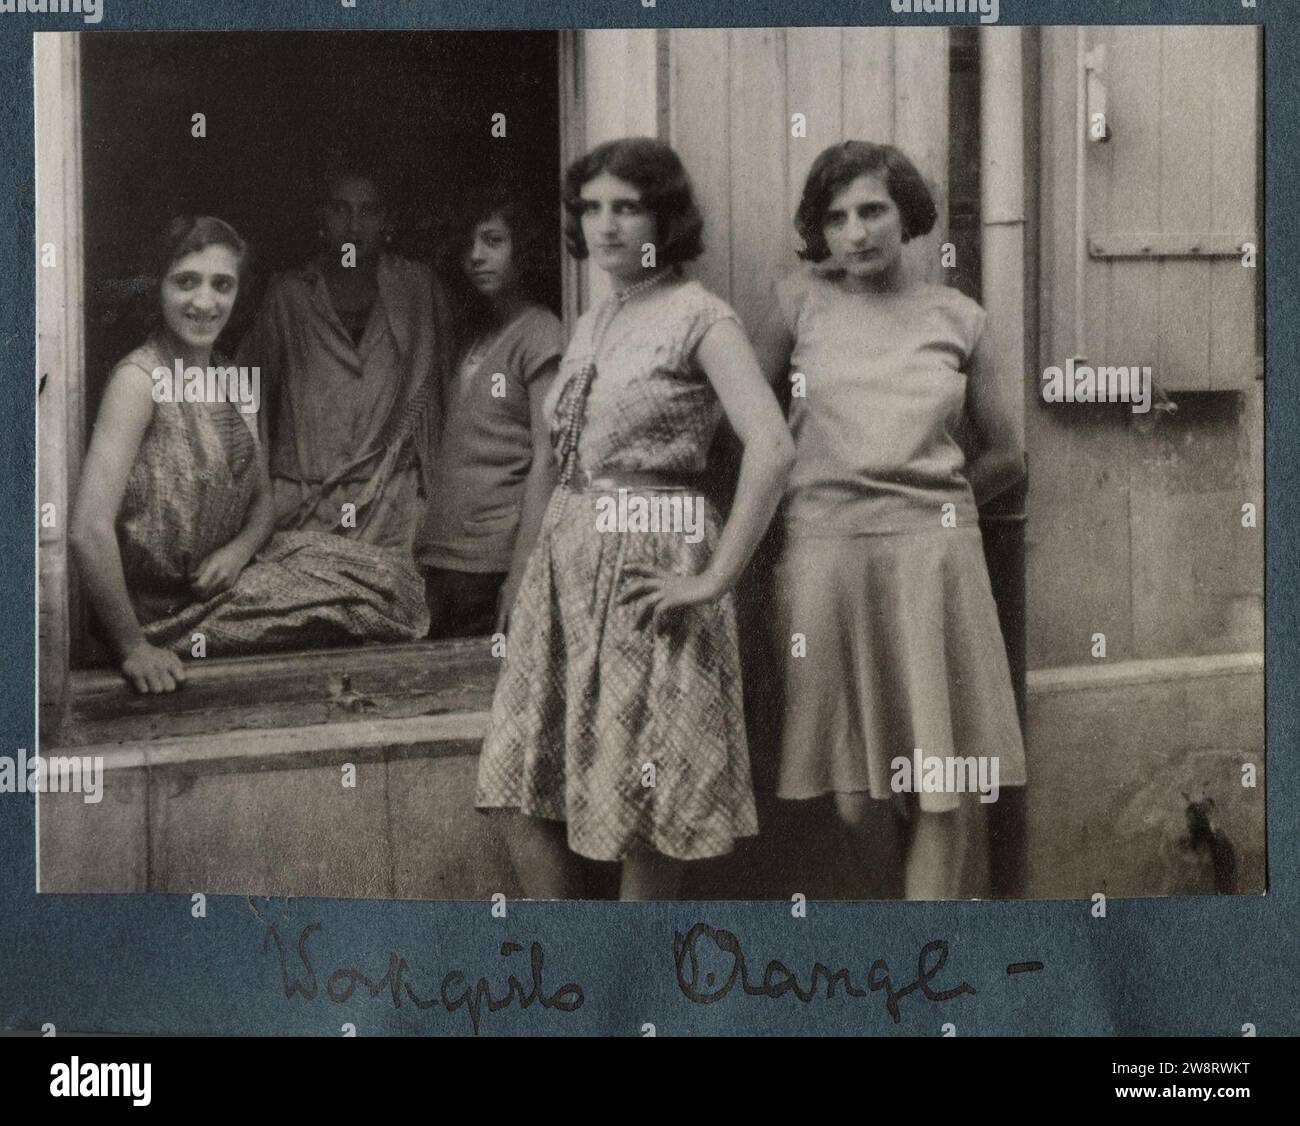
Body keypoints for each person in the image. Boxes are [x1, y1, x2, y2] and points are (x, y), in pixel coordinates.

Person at [475, 138, 795, 901]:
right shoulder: (592, 321)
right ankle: (575, 979)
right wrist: (525, 576)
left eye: (628, 207)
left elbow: (773, 448)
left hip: (653, 567)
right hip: (569, 567)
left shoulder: (700, 316)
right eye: (591, 208)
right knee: (520, 781)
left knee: (649, 792)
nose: (606, 225)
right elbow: (559, 456)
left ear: (666, 217)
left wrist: (715, 579)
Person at [757, 141, 1028, 900]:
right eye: (837, 218)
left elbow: (1008, 452)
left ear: (905, 212)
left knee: (944, 780)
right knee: (854, 799)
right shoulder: (794, 305)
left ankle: (923, 957)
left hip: (932, 561)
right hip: (824, 554)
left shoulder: (959, 317)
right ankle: (890, 919)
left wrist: (935, 505)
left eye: (873, 209)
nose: (857, 232)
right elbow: (745, 426)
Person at [69, 216, 428, 694]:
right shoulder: (138, 380)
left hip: (228, 580)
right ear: (158, 286)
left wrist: (236, 553)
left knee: (390, 579)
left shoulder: (233, 379)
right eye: (185, 282)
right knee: (355, 603)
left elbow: (263, 506)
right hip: (164, 612)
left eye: (222, 285)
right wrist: (133, 646)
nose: (204, 301)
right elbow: (87, 529)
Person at [237, 161, 452, 550]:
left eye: (369, 211)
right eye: (340, 209)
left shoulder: (417, 289)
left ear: (388, 219)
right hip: (304, 505)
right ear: (322, 215)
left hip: (392, 507)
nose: (354, 226)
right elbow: (246, 397)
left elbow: (444, 393)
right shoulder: (289, 295)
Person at [417, 185, 564, 638]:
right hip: (443, 559)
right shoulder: (476, 332)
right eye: (469, 244)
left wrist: (521, 576)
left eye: (493, 241)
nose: (476, 256)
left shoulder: (541, 332)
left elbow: (549, 459)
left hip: (492, 562)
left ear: (525, 246)